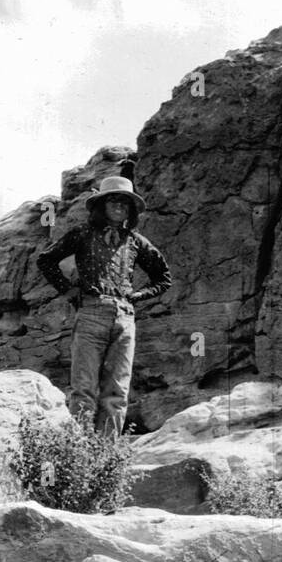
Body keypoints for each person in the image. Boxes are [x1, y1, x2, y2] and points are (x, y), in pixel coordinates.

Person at [37, 175, 171, 437]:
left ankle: (104, 458)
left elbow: (164, 278)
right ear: (101, 205)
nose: (120, 205)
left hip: (125, 318)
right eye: (113, 200)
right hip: (91, 314)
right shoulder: (82, 234)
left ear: (131, 209)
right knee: (84, 388)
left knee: (117, 393)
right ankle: (81, 454)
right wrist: (69, 291)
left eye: (125, 202)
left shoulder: (135, 241)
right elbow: (46, 261)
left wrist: (139, 295)